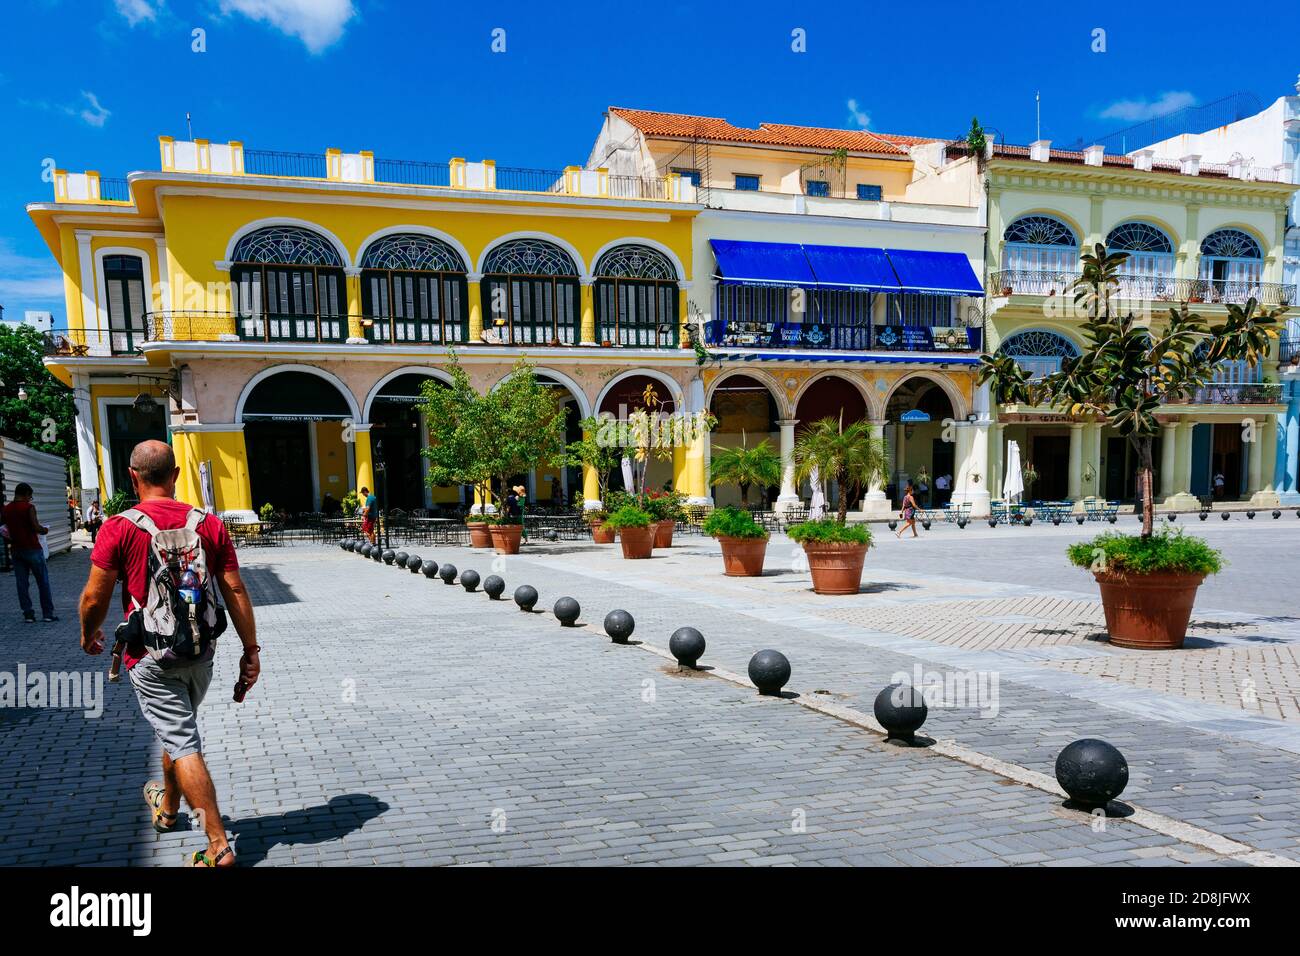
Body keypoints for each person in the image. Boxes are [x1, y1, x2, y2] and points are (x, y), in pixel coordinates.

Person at [78, 440, 260, 868]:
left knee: (181, 740)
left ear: (132, 475)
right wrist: (250, 651)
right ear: (176, 476)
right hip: (200, 654)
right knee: (176, 728)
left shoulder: (119, 527)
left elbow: (93, 597)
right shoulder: (209, 524)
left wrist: (89, 634)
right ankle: (169, 810)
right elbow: (234, 589)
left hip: (150, 657)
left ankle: (218, 846)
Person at [3, 482, 57, 623]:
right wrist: (44, 530)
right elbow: (35, 526)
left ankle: (28, 614)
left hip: (16, 550)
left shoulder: (6, 509)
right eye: (30, 496)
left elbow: (4, 528)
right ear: (26, 494)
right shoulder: (29, 507)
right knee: (42, 582)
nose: (30, 499)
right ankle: (47, 614)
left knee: (22, 583)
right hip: (32, 548)